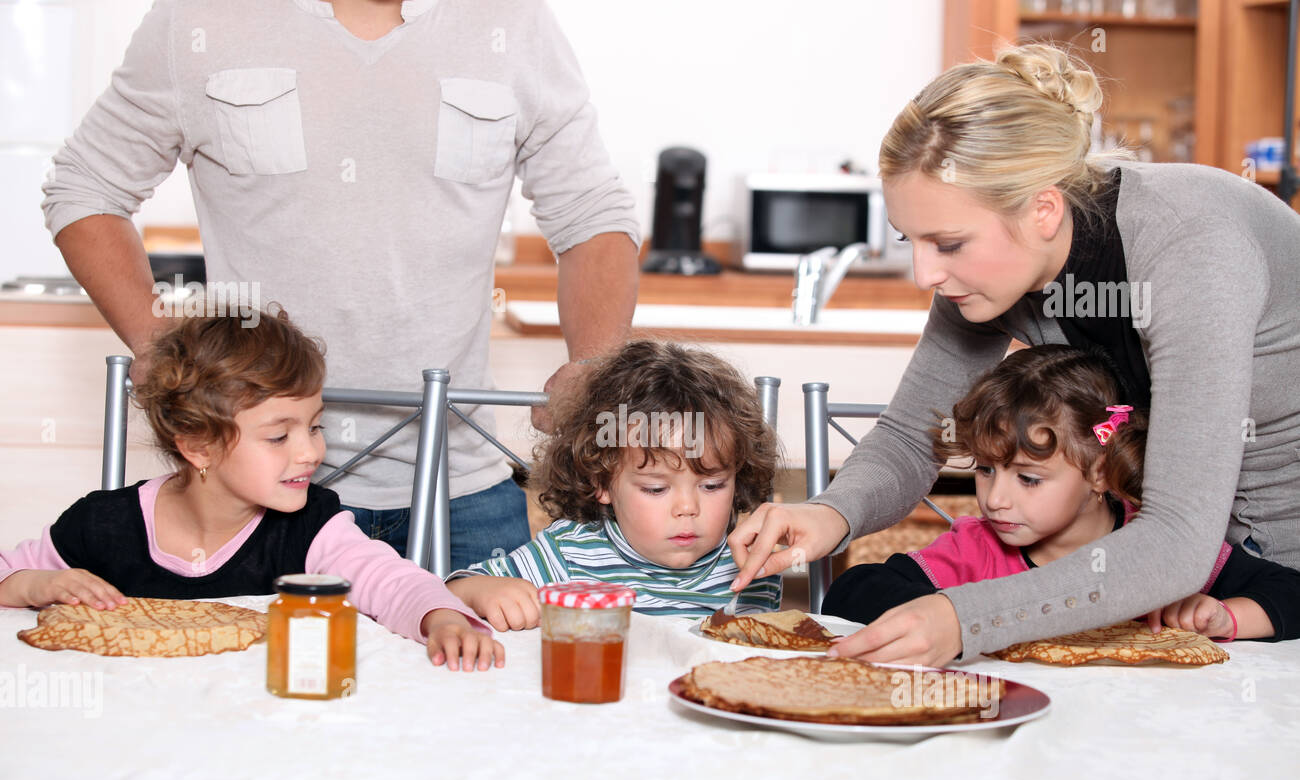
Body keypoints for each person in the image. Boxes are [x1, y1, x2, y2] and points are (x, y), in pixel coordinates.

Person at [728, 43, 1300, 666]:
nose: (925, 273)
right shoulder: (992, 272)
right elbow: (914, 436)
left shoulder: (1192, 247)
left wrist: (967, 617)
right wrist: (829, 514)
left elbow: (1179, 541)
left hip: (1270, 591)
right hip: (1170, 595)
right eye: (910, 240)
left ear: (1043, 210)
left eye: (947, 243)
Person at [40, 0, 640, 569]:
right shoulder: (199, 16)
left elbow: (591, 213)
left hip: (462, 490)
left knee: (485, 673)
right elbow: (88, 186)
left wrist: (592, 365)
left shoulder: (512, 21)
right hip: (255, 492)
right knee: (246, 673)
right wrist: (152, 341)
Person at [0, 308, 503, 672]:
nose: (309, 452)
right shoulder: (101, 524)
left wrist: (441, 616)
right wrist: (27, 585)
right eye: (279, 435)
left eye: (315, 426)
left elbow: (389, 580)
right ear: (198, 445)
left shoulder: (312, 528)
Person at [822, 346, 1300, 642]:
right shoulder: (976, 548)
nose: (996, 500)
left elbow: (1290, 592)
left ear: (1098, 472)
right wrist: (953, 610)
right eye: (987, 470)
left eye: (1029, 478)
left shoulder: (1159, 547)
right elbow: (850, 592)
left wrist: (1223, 616)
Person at [445, 340, 781, 630]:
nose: (687, 508)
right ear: (601, 481)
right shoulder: (566, 555)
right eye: (656, 489)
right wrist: (480, 592)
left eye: (712, 486)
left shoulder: (751, 566)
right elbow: (448, 595)